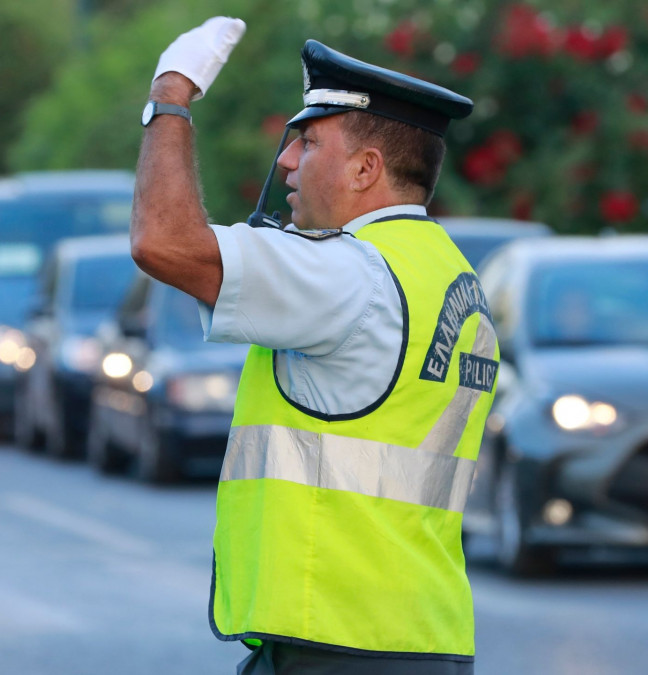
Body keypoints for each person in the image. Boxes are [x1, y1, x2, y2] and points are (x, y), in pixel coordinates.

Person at [132, 17, 497, 675]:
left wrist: (170, 96)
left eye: (308, 142)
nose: (286, 161)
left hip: (337, 642)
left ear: (365, 168)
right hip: (420, 635)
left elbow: (162, 240)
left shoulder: (352, 275)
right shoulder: (445, 272)